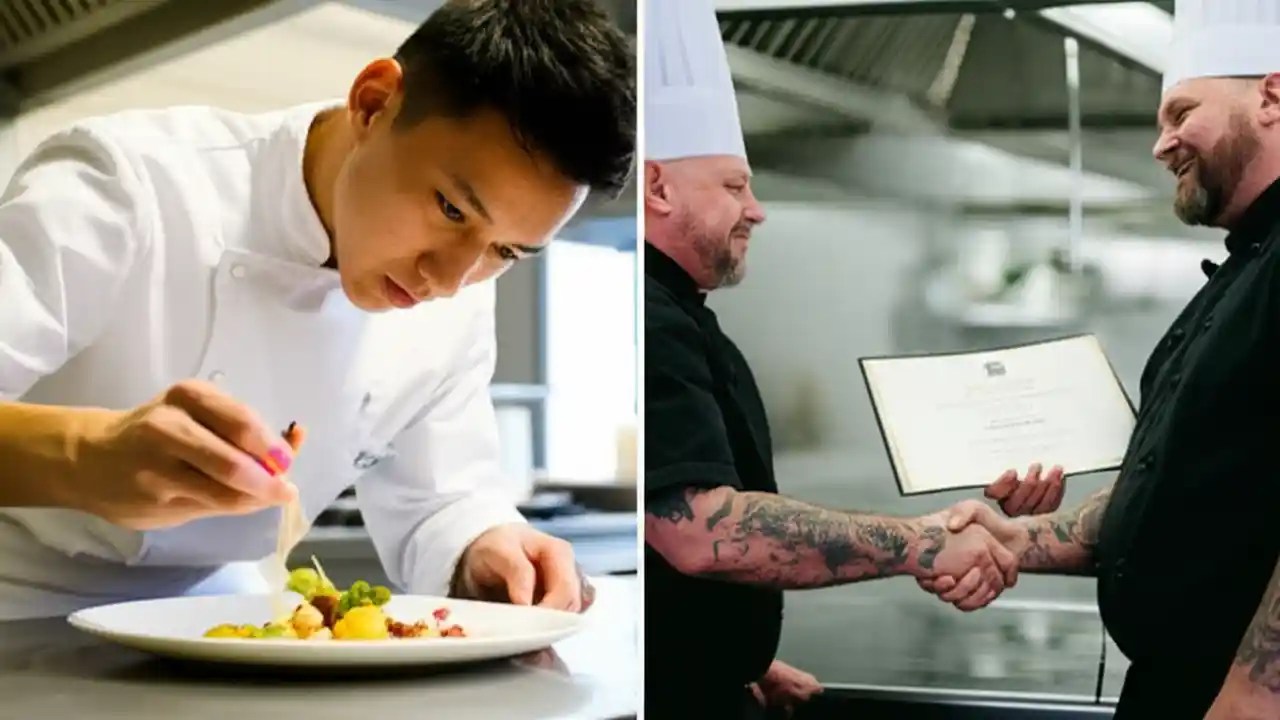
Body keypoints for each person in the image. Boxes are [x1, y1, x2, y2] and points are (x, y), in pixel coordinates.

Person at [0, 0, 634, 620]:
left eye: (506, 250)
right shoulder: (129, 183)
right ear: (374, 103)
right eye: (450, 209)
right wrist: (84, 456)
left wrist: (487, 546)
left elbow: (440, 498)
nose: (449, 279)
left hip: (215, 617)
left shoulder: (459, 290)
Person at [641, 2, 1060, 717]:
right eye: (736, 185)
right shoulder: (648, 316)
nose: (757, 210)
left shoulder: (687, 319)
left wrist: (738, 656)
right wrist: (919, 544)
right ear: (656, 189)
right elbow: (699, 532)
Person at [926, 1, 1280, 717]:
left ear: (1272, 97)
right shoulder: (1246, 266)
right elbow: (1181, 490)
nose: (1163, 144)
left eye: (1181, 112)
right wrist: (1019, 539)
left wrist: (1257, 692)